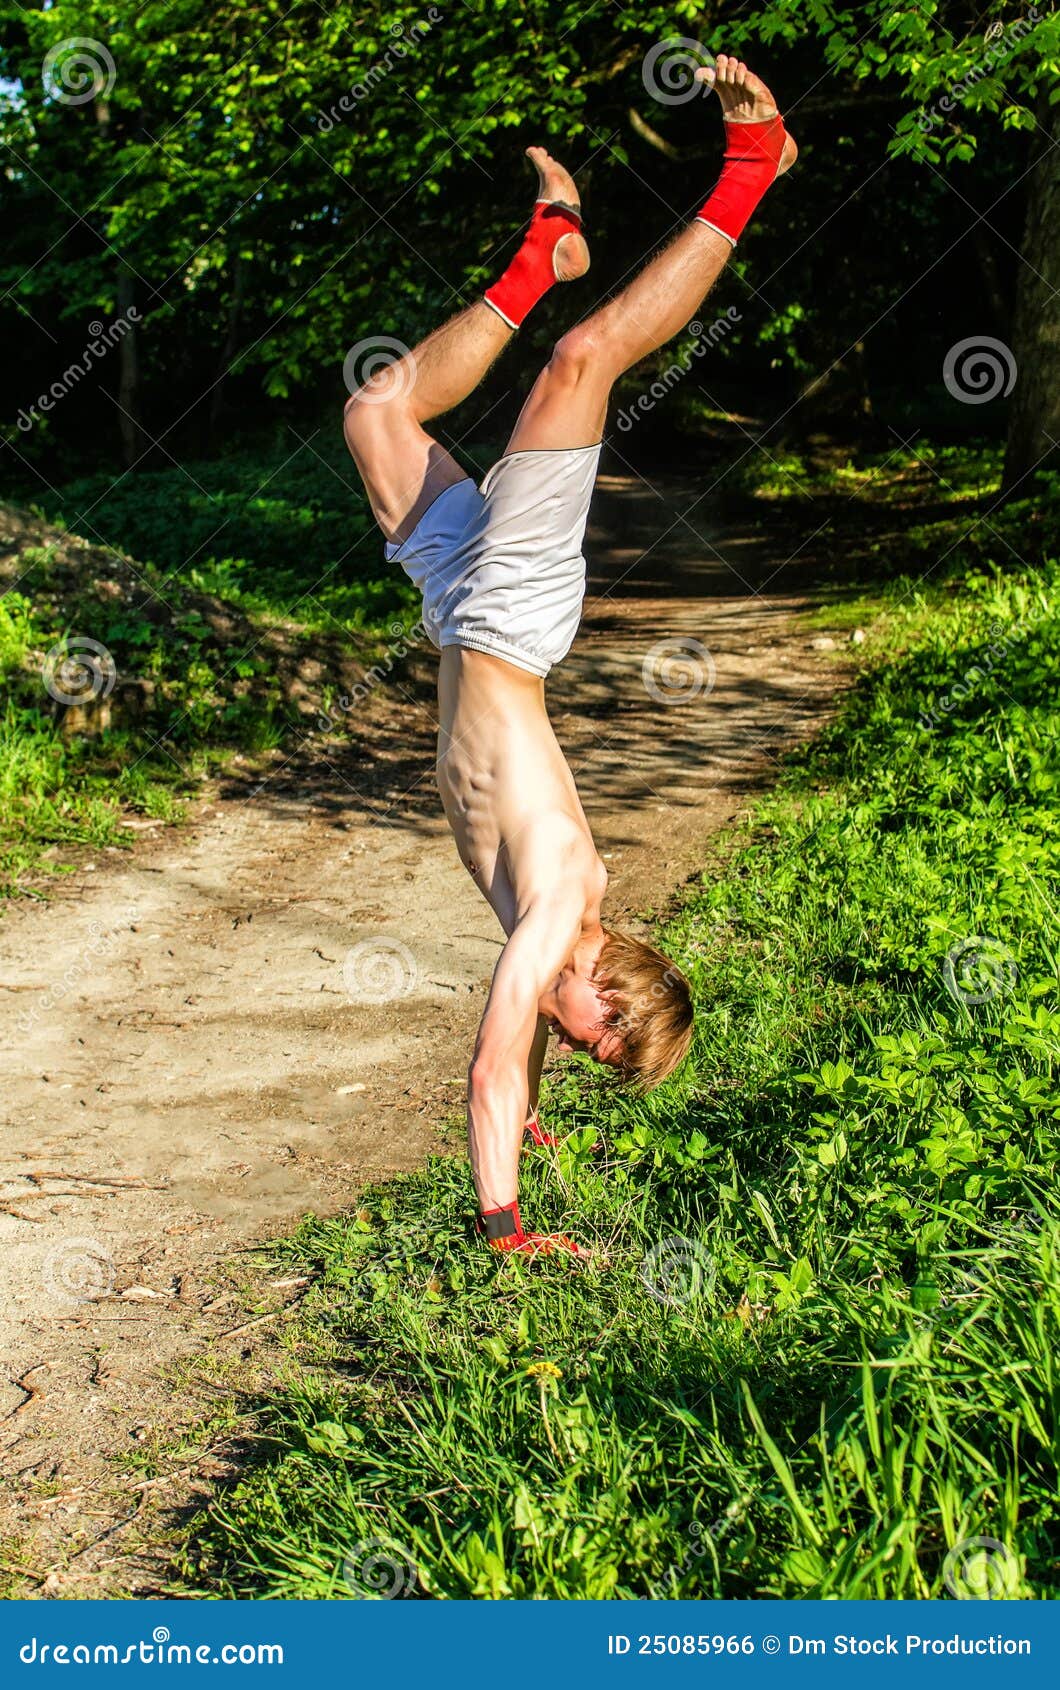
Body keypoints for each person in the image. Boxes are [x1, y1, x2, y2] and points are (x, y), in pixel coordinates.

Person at [343, 54, 796, 1256]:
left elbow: (525, 1039)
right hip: (512, 616)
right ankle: (753, 170)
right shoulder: (556, 912)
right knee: (583, 359)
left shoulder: (559, 935)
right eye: (595, 1032)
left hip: (458, 608)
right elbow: (492, 1060)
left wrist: (537, 1107)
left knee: (377, 413)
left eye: (579, 1051)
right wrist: (506, 1225)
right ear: (615, 980)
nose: (565, 1030)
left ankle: (546, 248)